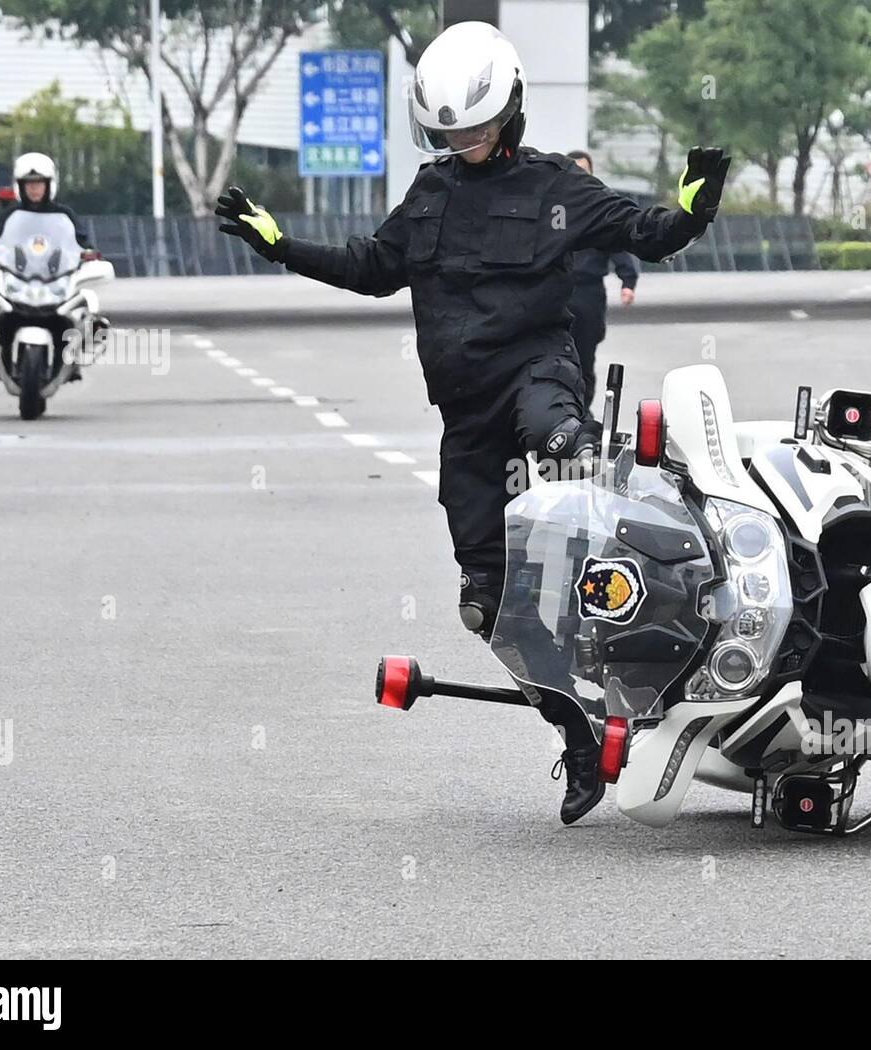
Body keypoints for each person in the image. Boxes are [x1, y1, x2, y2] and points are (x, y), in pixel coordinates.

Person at [216, 21, 729, 826]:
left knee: (562, 436)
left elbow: (646, 233)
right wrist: (281, 245)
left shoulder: (559, 188)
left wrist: (693, 210)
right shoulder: (430, 194)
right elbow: (371, 267)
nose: (468, 142)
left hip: (536, 376)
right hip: (466, 413)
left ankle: (675, 588)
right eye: (454, 133)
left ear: (513, 111)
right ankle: (580, 739)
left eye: (480, 128)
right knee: (487, 605)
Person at [0, 153, 95, 380]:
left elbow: (81, 242)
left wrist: (89, 254)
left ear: (49, 185)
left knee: (70, 319)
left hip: (55, 281)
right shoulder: (10, 214)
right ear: (20, 186)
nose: (34, 189)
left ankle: (70, 364)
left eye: (39, 183)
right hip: (19, 280)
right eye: (29, 184)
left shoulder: (64, 215)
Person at [563, 150, 639, 411]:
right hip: (556, 293)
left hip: (588, 294)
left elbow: (618, 246)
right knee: (555, 356)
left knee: (584, 357)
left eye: (585, 171)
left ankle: (582, 411)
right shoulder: (553, 208)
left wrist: (628, 282)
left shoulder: (600, 208)